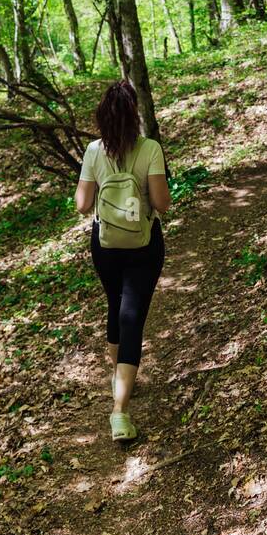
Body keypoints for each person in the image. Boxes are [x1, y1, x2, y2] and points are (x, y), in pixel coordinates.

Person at [75, 80, 171, 441]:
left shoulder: (93, 151)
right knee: (132, 317)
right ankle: (120, 411)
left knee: (116, 306)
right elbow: (161, 203)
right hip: (144, 244)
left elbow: (83, 205)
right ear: (134, 116)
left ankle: (121, 380)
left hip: (105, 243)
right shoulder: (150, 149)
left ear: (102, 117)